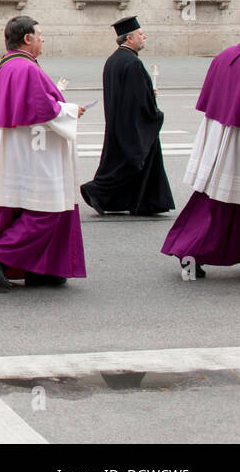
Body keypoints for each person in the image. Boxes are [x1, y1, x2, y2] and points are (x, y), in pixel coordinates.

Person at [0, 16, 87, 289]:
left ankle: (41, 269)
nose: (43, 39)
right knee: (49, 210)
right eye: (40, 34)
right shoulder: (25, 68)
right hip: (34, 151)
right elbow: (46, 110)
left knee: (22, 210)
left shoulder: (7, 64)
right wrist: (72, 110)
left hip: (16, 149)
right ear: (27, 38)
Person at [161, 41, 240, 278]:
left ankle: (189, 252)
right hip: (234, 137)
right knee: (219, 203)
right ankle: (189, 251)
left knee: (217, 200)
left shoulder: (226, 54)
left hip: (220, 133)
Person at [80, 16, 173, 217]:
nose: (144, 37)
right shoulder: (132, 63)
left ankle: (144, 203)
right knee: (127, 165)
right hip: (133, 126)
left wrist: (148, 91)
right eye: (140, 34)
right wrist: (154, 113)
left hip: (119, 122)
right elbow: (138, 101)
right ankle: (96, 190)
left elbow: (130, 93)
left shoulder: (114, 60)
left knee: (126, 164)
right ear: (129, 39)